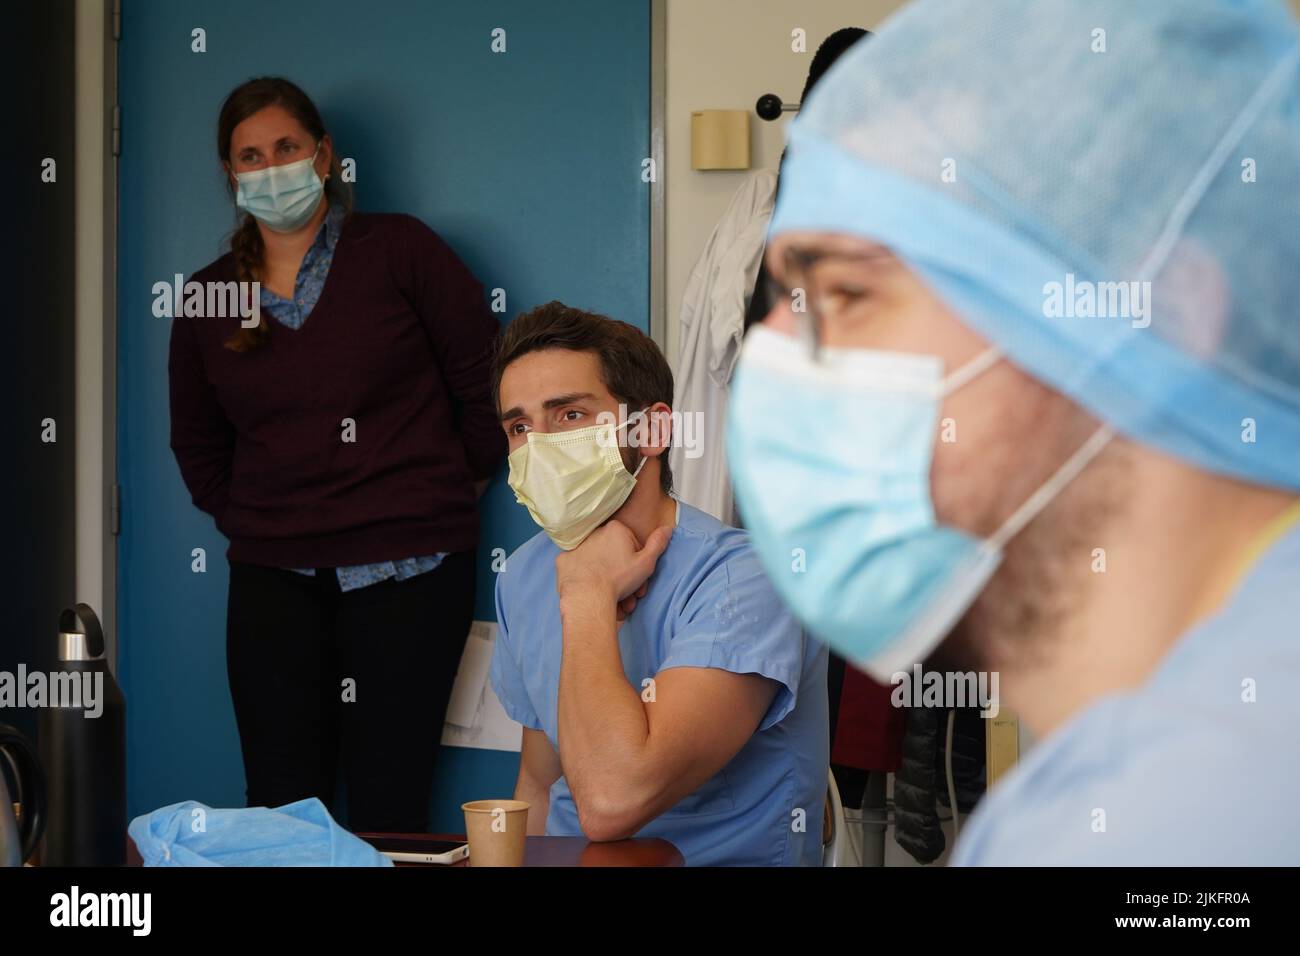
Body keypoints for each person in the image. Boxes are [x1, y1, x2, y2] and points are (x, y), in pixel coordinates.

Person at [726, 0, 1300, 864]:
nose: (786, 367)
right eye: (789, 303)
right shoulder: (1145, 750)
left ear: (1161, 310)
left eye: (849, 294)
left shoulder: (1193, 812)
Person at [168, 77, 506, 831]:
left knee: (392, 803)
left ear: (323, 155)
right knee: (281, 810)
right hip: (272, 585)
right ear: (231, 176)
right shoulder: (206, 298)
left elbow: (488, 384)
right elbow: (196, 441)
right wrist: (260, 521)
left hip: (411, 574)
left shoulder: (401, 250)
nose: (270, 166)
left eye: (286, 147)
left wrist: (450, 484)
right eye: (249, 156)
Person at [488, 301, 828, 866]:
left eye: (568, 416)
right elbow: (541, 784)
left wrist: (587, 595)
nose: (538, 446)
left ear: (651, 430)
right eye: (519, 426)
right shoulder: (523, 574)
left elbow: (613, 801)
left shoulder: (745, 580)